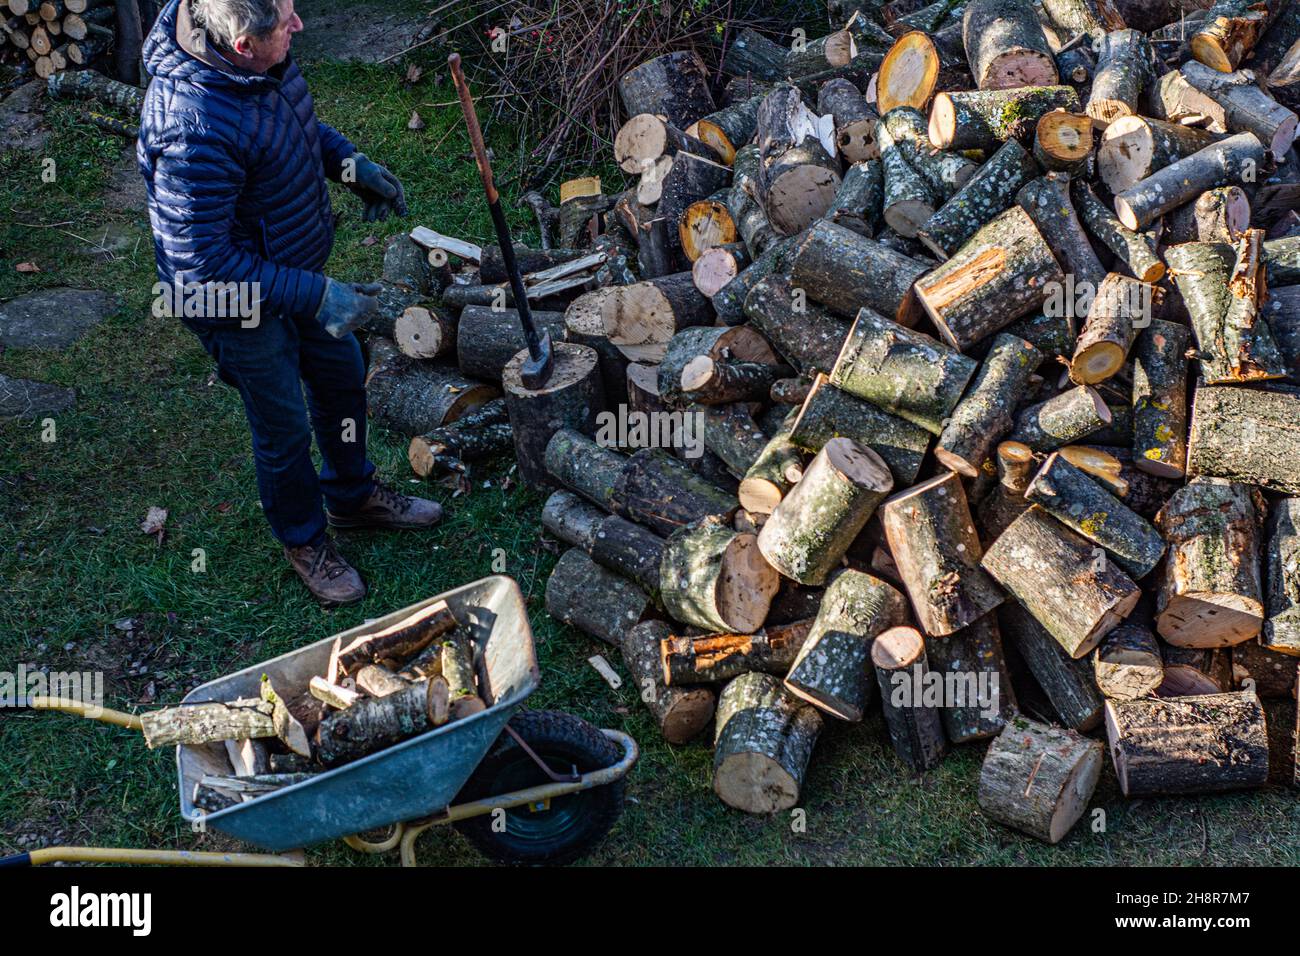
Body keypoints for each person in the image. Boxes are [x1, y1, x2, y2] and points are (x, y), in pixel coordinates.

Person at [137, 0, 442, 607]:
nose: (298, 25)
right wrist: (318, 294)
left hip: (289, 268)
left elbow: (290, 130)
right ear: (243, 46)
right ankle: (305, 540)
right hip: (236, 302)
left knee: (342, 376)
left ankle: (353, 496)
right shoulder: (190, 125)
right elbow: (201, 267)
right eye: (285, 22)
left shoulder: (256, 62)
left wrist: (351, 165)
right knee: (283, 426)